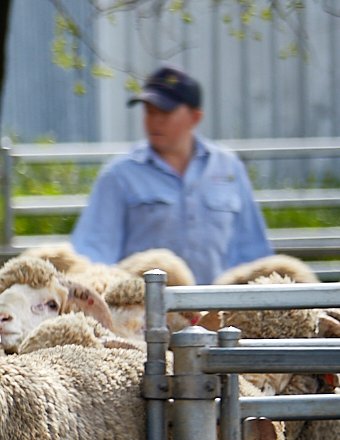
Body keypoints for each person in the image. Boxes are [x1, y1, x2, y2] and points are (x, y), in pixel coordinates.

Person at [69, 65, 271, 286]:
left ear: (195, 117)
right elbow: (93, 253)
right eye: (149, 112)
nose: (155, 121)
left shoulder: (228, 168)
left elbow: (253, 252)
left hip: (218, 310)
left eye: (165, 112)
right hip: (144, 311)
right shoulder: (119, 175)